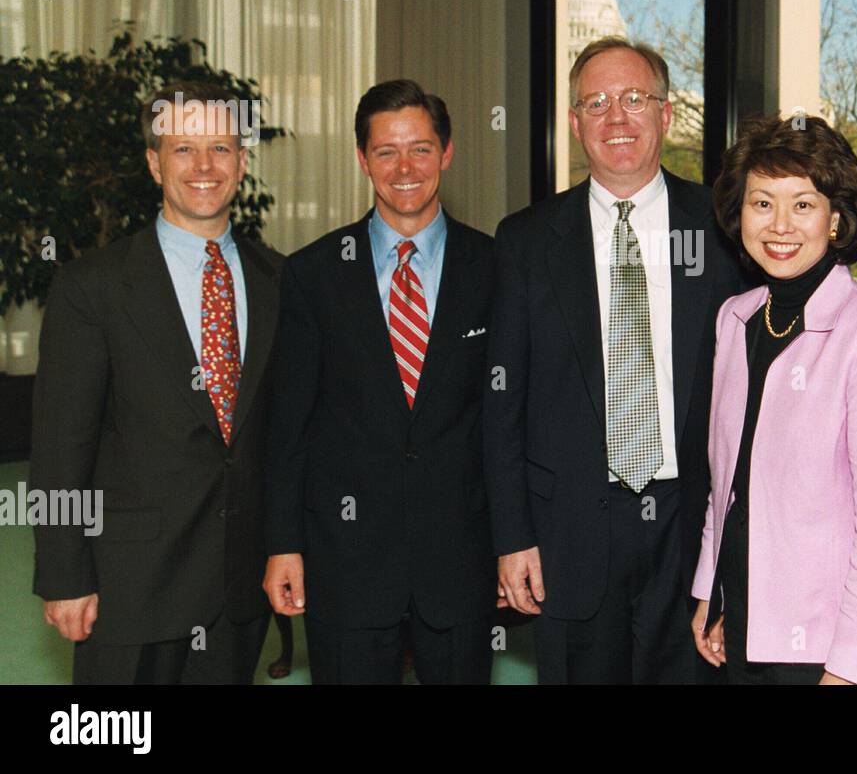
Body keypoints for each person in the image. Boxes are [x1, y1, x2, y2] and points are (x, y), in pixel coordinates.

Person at [485, 37, 747, 683]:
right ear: (574, 124)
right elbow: (501, 405)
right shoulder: (524, 241)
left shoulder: (722, 228)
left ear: (665, 114)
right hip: (568, 530)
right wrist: (512, 535)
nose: (617, 118)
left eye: (635, 98)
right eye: (596, 103)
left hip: (692, 532)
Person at [31, 81, 281, 684]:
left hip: (237, 593)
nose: (203, 167)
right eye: (183, 149)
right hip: (128, 592)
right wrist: (65, 577)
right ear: (153, 162)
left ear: (242, 162)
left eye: (220, 148)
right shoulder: (92, 287)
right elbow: (61, 447)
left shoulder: (279, 280)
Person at [262, 79, 496, 684]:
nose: (405, 167)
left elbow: (510, 421)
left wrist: (513, 543)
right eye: (386, 151)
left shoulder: (497, 267)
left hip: (462, 563)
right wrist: (283, 544)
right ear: (363, 160)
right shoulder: (313, 274)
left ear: (446, 152)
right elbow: (289, 425)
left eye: (420, 148)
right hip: (348, 564)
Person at [689, 115, 857, 685]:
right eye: (762, 203)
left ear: (836, 220)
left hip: (823, 647)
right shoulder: (735, 319)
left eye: (803, 205)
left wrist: (853, 667)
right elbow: (727, 483)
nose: (780, 225)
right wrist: (709, 592)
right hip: (739, 624)